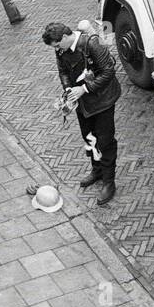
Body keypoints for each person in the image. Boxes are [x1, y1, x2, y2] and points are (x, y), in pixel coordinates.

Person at [43, 21, 120, 206]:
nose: (56, 49)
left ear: (63, 38)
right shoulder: (61, 49)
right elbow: (63, 71)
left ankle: (109, 182)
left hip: (102, 101)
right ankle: (97, 169)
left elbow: (109, 71)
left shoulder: (92, 43)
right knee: (88, 136)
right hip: (82, 102)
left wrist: (84, 88)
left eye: (56, 45)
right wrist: (69, 89)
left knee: (105, 140)